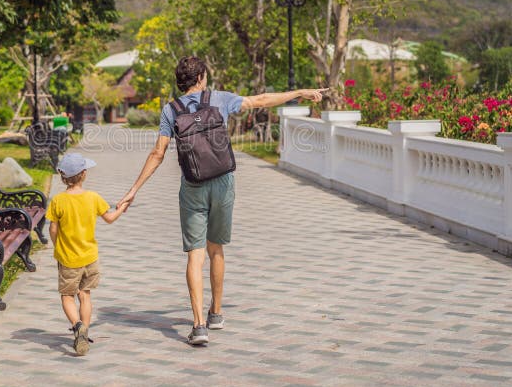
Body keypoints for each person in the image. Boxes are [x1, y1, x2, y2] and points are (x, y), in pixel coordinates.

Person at [117, 56, 326, 346]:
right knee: (217, 249)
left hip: (192, 186)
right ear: (201, 77)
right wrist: (299, 93)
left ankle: (198, 325)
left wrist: (133, 190)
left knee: (195, 254)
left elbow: (157, 154)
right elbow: (262, 100)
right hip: (223, 182)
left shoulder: (171, 110)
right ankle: (215, 312)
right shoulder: (220, 99)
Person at [46, 152, 128, 355]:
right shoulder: (93, 197)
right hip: (90, 257)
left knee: (67, 296)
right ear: (83, 174)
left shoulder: (58, 201)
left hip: (68, 259)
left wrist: (58, 246)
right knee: (85, 295)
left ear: (63, 177)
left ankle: (77, 327)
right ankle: (84, 331)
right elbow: (109, 218)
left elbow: (53, 230)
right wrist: (122, 208)